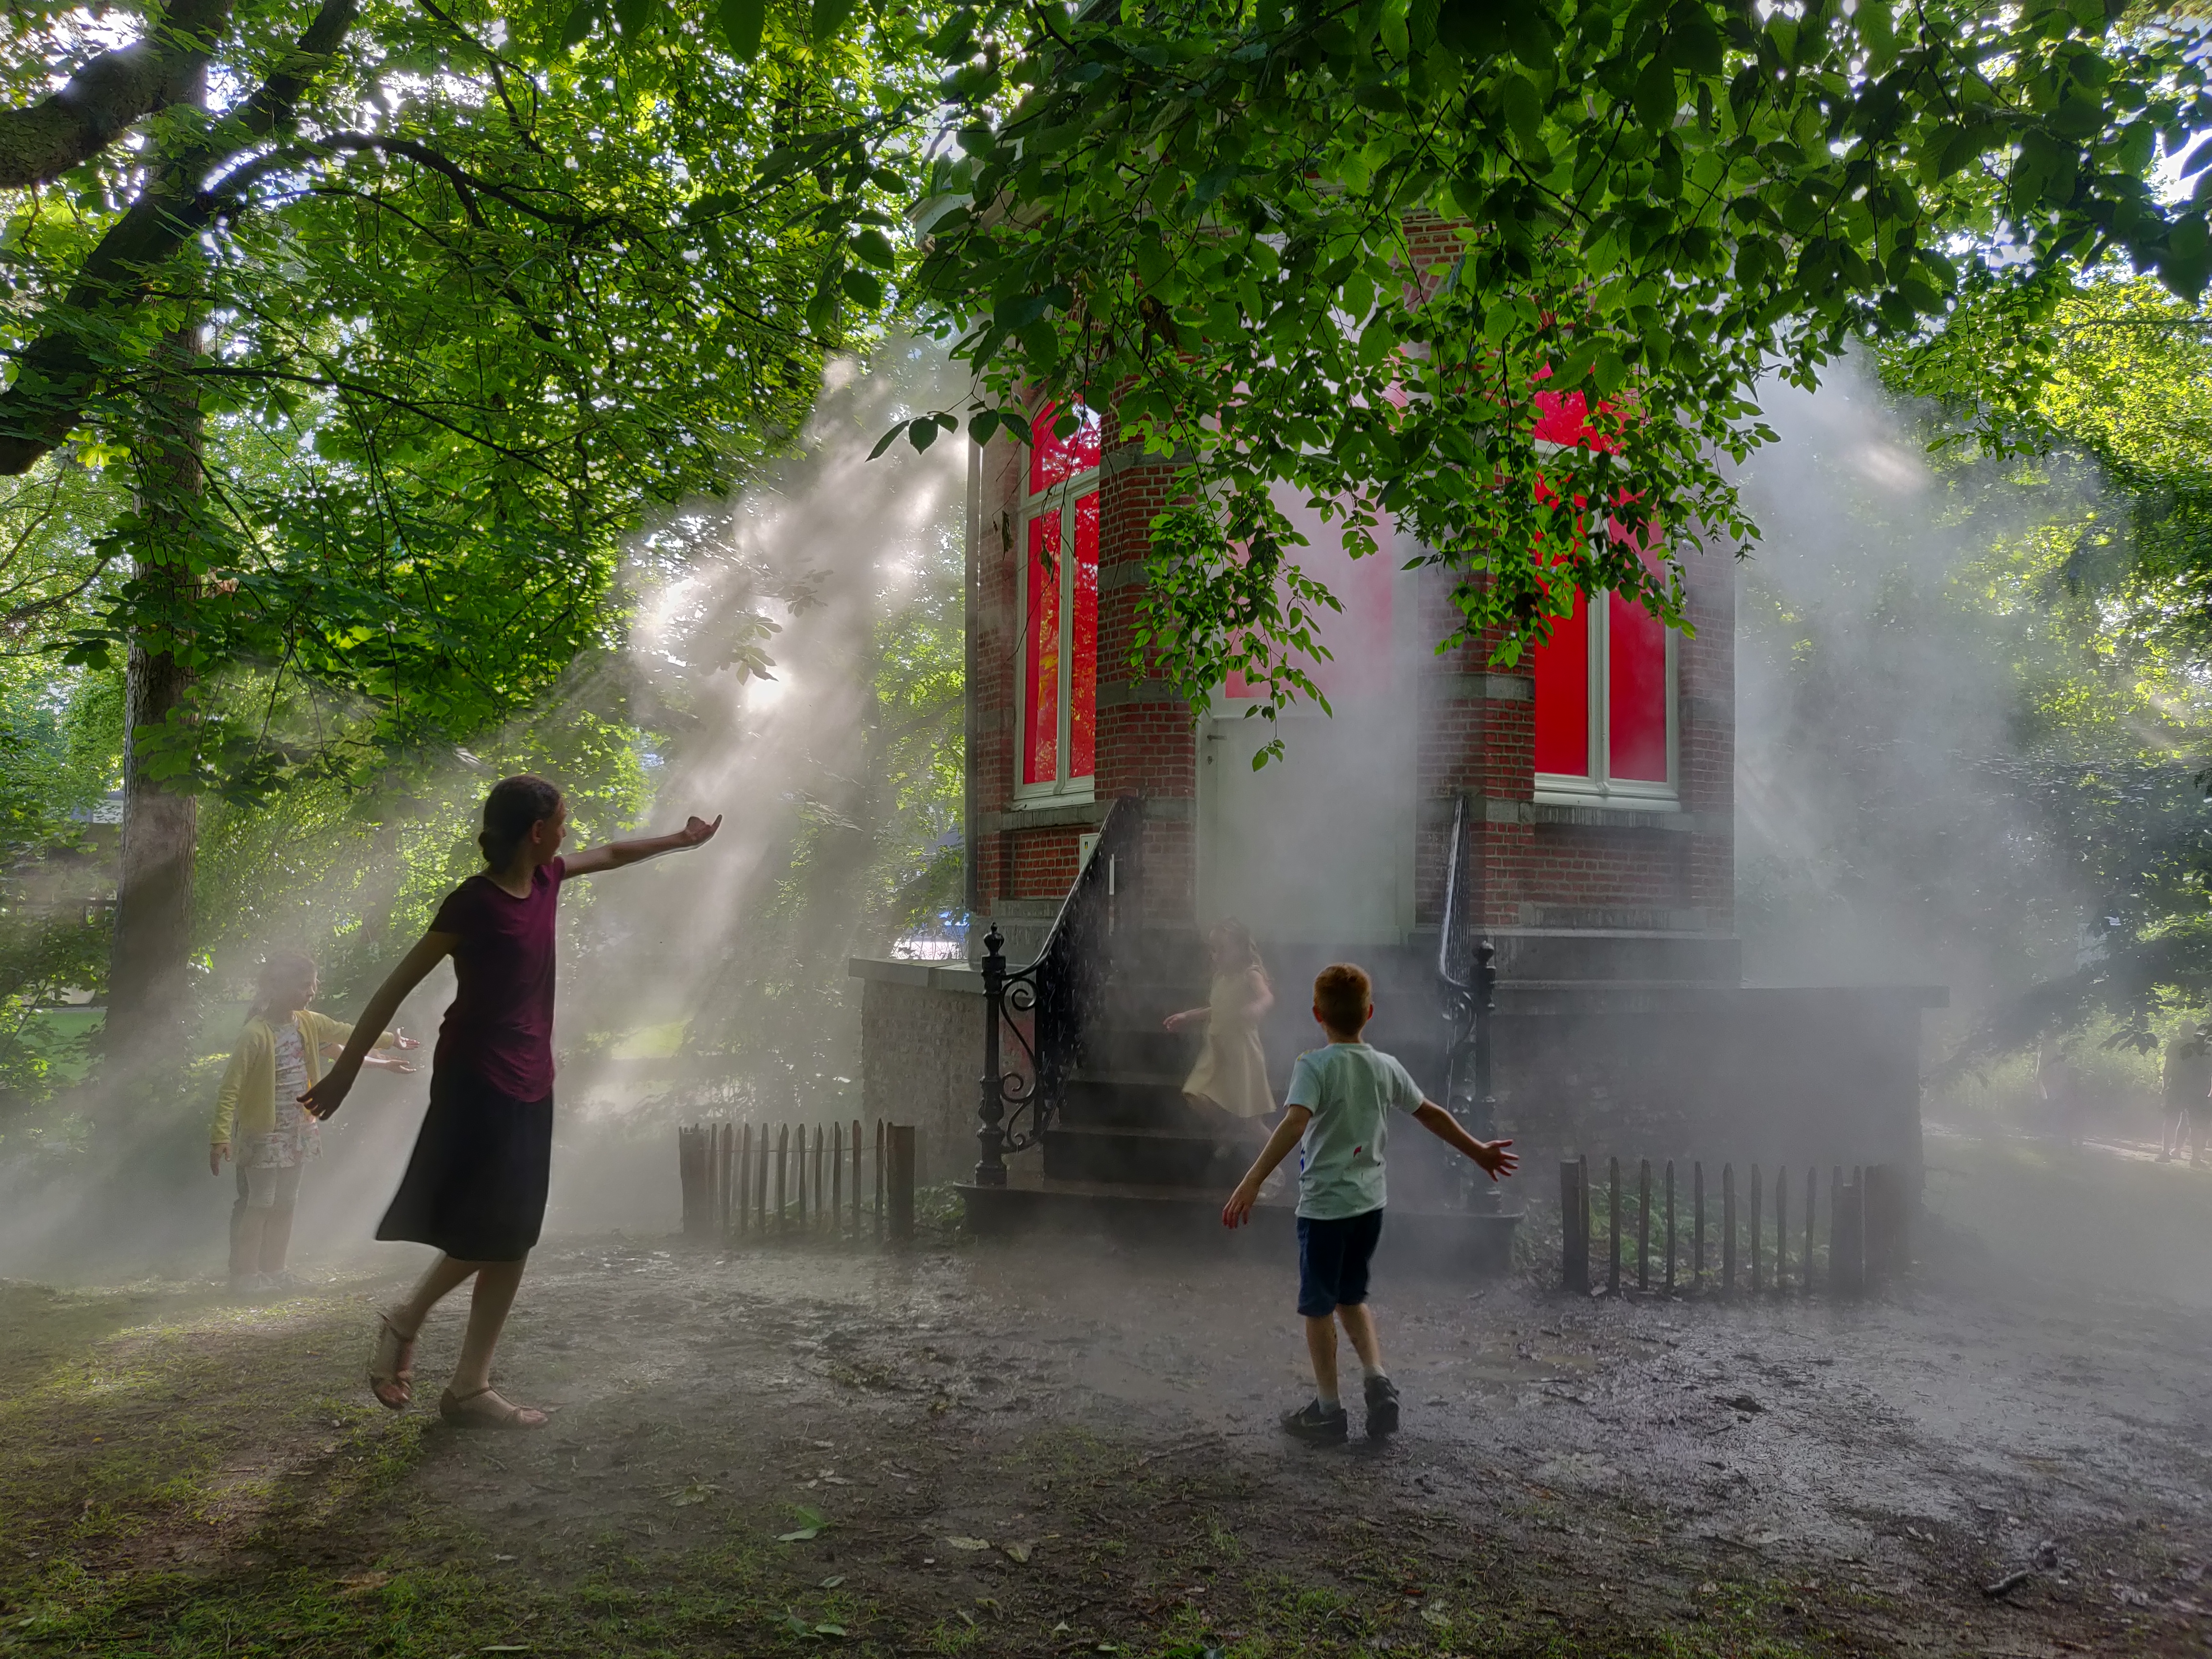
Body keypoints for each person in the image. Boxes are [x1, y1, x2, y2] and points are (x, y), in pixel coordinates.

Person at [299, 774, 721, 1430]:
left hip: (534, 1077)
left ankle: (469, 1387)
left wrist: (682, 841)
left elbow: (609, 854)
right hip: (478, 1077)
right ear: (536, 831)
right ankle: (406, 1319)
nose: (569, 832)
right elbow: (393, 987)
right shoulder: (473, 904)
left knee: (515, 1234)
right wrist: (348, 1072)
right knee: (492, 1228)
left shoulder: (548, 879)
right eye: (563, 821)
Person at [1221, 961, 1517, 1444]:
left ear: (1318, 1014)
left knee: (1318, 1306)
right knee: (1351, 1296)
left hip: (1324, 1209)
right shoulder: (1386, 1066)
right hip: (1369, 1207)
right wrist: (1478, 1151)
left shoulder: (1312, 1066)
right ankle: (1378, 1381)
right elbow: (1432, 1114)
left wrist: (1253, 1179)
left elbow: (1295, 1124)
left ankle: (1328, 1410)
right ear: (1370, 1013)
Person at [208, 950, 418, 1296]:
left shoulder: (307, 1024)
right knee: (259, 1202)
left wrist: (391, 1041)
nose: (312, 992)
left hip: (300, 1129)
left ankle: (275, 1273)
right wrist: (220, 1136)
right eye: (305, 985)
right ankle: (245, 1278)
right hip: (264, 1133)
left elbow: (349, 1033)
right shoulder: (256, 1034)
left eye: (314, 985)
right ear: (278, 986)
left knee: (286, 1203)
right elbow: (231, 1087)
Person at [1164, 919, 1277, 1132]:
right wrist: (1187, 1016)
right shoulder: (1220, 978)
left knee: (1252, 1123)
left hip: (1242, 1055)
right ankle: (1226, 1132)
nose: (1216, 957)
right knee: (1194, 1094)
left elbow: (1267, 996)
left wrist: (1259, 1007)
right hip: (1217, 1053)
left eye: (1222, 950)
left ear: (1242, 949)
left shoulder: (1250, 974)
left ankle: (1275, 1164)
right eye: (1214, 951)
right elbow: (1216, 1009)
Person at [2164, 1026, 2212, 1167]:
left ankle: (2167, 1152)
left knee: (2172, 1119)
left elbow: (2168, 1066)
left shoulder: (2175, 1045)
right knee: (2195, 1124)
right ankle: (2195, 1157)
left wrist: (2165, 1085)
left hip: (2178, 1086)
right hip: (2199, 1090)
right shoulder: (2206, 1047)